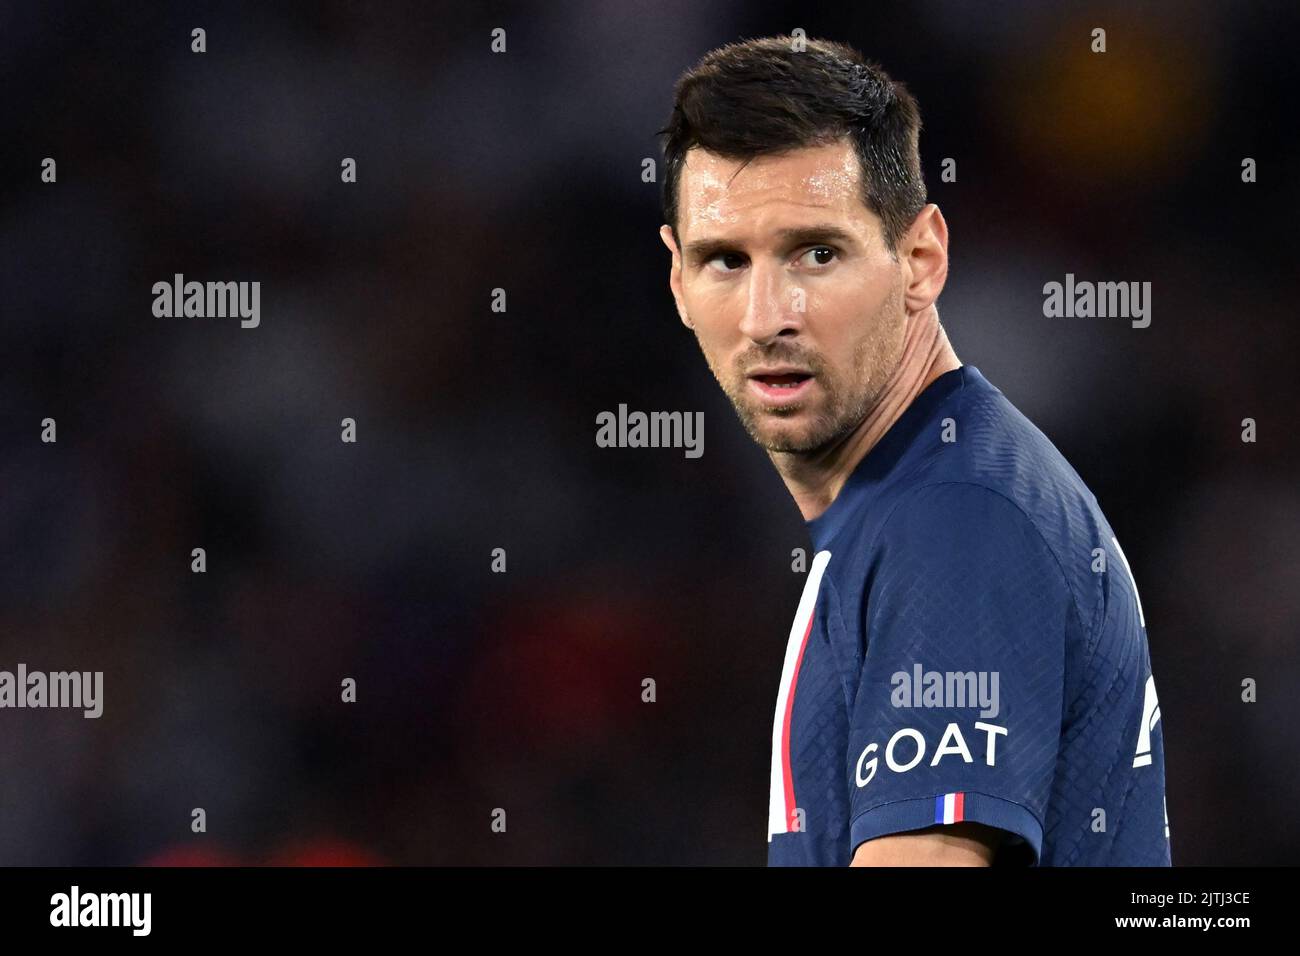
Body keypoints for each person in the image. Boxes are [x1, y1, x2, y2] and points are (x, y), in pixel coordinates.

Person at [657, 35, 1171, 866]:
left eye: (816, 253)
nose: (765, 316)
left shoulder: (955, 521)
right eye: (725, 260)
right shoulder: (917, 500)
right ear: (677, 280)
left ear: (920, 260)